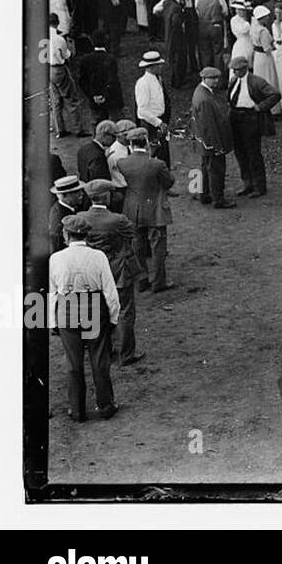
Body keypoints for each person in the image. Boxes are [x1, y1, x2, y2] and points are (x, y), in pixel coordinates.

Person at [50, 214, 120, 422]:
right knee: (99, 360)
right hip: (94, 309)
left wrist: (53, 322)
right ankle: (105, 406)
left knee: (73, 363)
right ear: (86, 235)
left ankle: (77, 410)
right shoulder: (98, 256)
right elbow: (110, 291)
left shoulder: (56, 259)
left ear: (66, 235)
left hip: (67, 310)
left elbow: (52, 294)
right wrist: (113, 317)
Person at [78, 178, 144, 367]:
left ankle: (104, 352)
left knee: (98, 311)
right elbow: (131, 233)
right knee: (125, 312)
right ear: (106, 196)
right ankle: (126, 354)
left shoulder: (81, 217)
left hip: (92, 272)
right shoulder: (118, 220)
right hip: (118, 271)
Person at [116, 127, 174, 292]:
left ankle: (142, 279)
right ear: (146, 142)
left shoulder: (122, 163)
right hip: (155, 209)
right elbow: (169, 182)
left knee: (137, 245)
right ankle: (158, 281)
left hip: (133, 209)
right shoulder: (157, 164)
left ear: (131, 144)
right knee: (158, 246)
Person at [227, 54, 281, 198]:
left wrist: (261, 106)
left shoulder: (257, 81)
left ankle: (259, 186)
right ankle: (247, 183)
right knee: (240, 152)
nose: (234, 72)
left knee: (253, 153)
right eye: (233, 70)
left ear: (244, 69)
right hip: (236, 118)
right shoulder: (234, 81)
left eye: (236, 70)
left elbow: (275, 94)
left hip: (250, 118)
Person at [190, 67, 235, 208]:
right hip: (211, 142)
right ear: (204, 78)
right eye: (212, 78)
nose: (215, 81)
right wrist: (217, 146)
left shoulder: (201, 91)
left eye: (217, 78)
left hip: (204, 141)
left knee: (205, 168)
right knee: (216, 170)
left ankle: (204, 194)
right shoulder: (205, 99)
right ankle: (218, 199)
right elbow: (210, 126)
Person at [134, 51, 172, 167]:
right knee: (153, 153)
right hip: (150, 124)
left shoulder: (159, 79)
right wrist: (158, 123)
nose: (160, 67)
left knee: (163, 153)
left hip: (160, 121)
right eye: (158, 65)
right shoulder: (143, 83)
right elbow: (142, 110)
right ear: (150, 67)